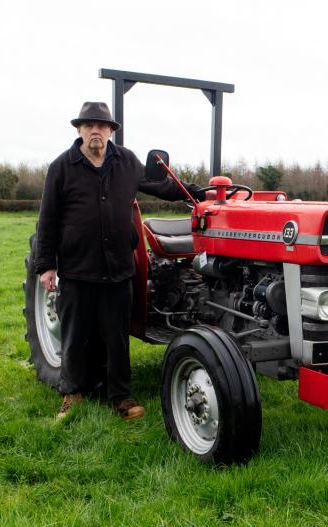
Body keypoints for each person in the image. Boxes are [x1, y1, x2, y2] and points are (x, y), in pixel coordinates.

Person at [35, 102, 204, 421]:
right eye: (89, 125)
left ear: (111, 130)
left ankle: (121, 397)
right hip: (77, 269)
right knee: (74, 335)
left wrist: (197, 193)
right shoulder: (61, 167)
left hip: (117, 268)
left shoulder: (126, 161)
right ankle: (72, 393)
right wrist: (46, 265)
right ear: (79, 130)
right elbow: (49, 218)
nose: (95, 130)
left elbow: (160, 186)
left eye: (102, 125)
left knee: (116, 336)